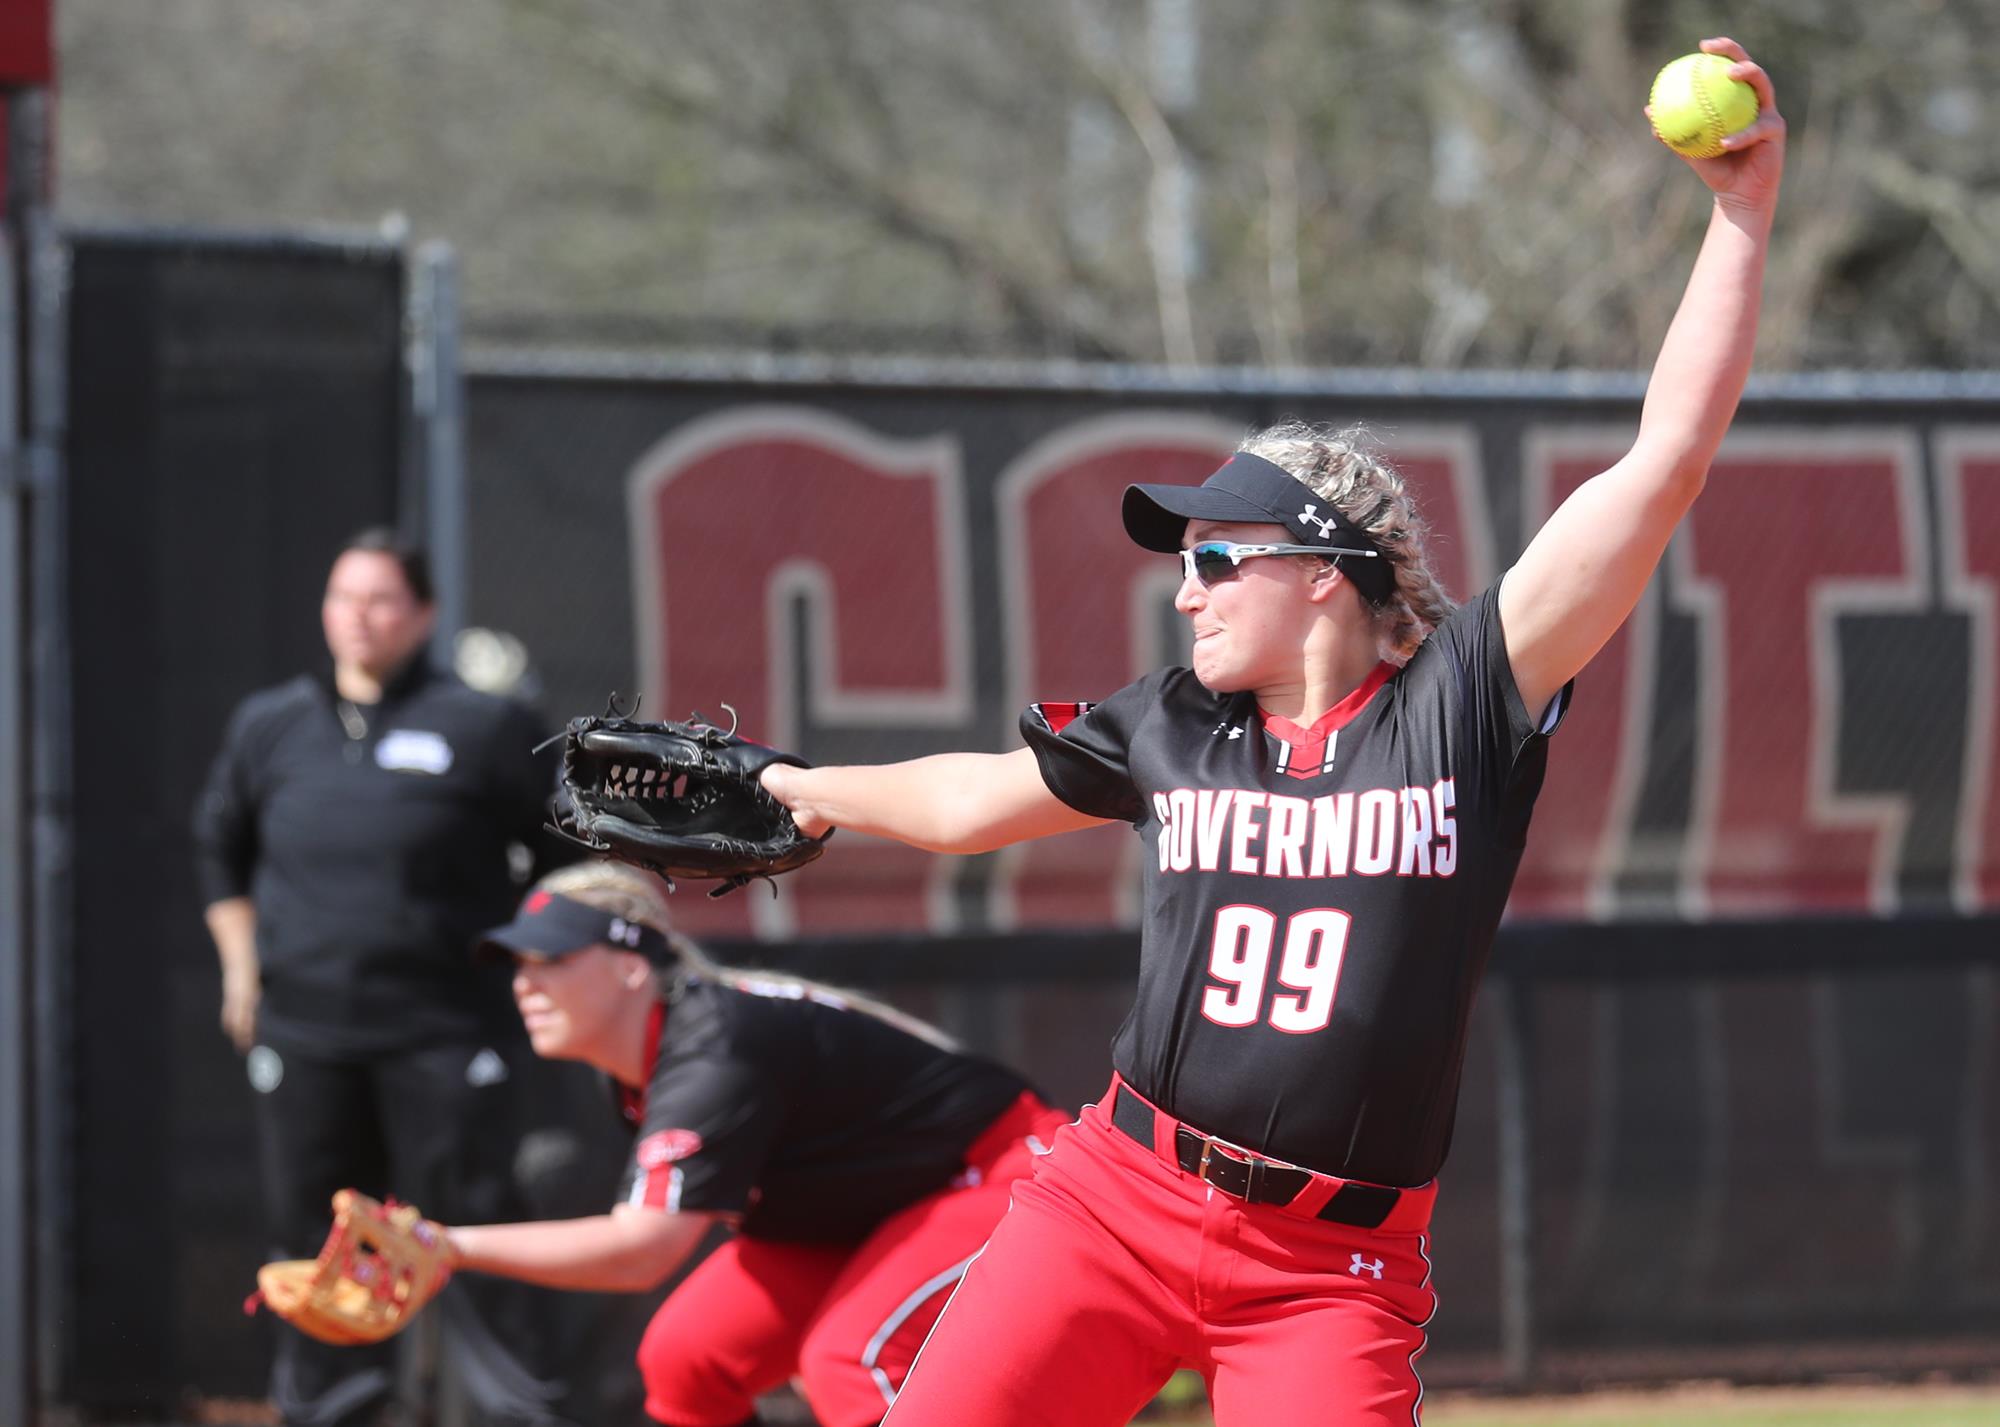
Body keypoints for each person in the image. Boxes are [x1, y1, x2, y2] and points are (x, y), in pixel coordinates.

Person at [754, 38, 1786, 1426]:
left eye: (1215, 556)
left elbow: (1663, 463)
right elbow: (967, 801)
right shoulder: (1178, 724)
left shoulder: (1461, 707)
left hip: (1331, 1266)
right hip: (1112, 1203)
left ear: (1323, 566)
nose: (1185, 587)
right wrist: (796, 784)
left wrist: (1741, 209)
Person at [446, 862, 1071, 1427]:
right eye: (520, 967)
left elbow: (640, 1251)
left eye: (551, 961)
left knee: (850, 1360)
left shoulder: (713, 1048)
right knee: (685, 1360)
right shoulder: (651, 1059)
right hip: (871, 1211)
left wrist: (446, 1246)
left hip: (1004, 1173)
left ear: (629, 966)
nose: (525, 985)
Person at [193, 528, 573, 1427]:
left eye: (380, 599)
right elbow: (221, 851)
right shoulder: (269, 724)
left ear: (425, 613)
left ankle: (516, 1413)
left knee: (480, 1232)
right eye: (341, 597)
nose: (357, 617)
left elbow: (561, 858)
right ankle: (337, 1412)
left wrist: (541, 966)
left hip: (447, 1034)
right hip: (310, 1036)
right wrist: (242, 970)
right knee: (324, 1246)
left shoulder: (484, 725)